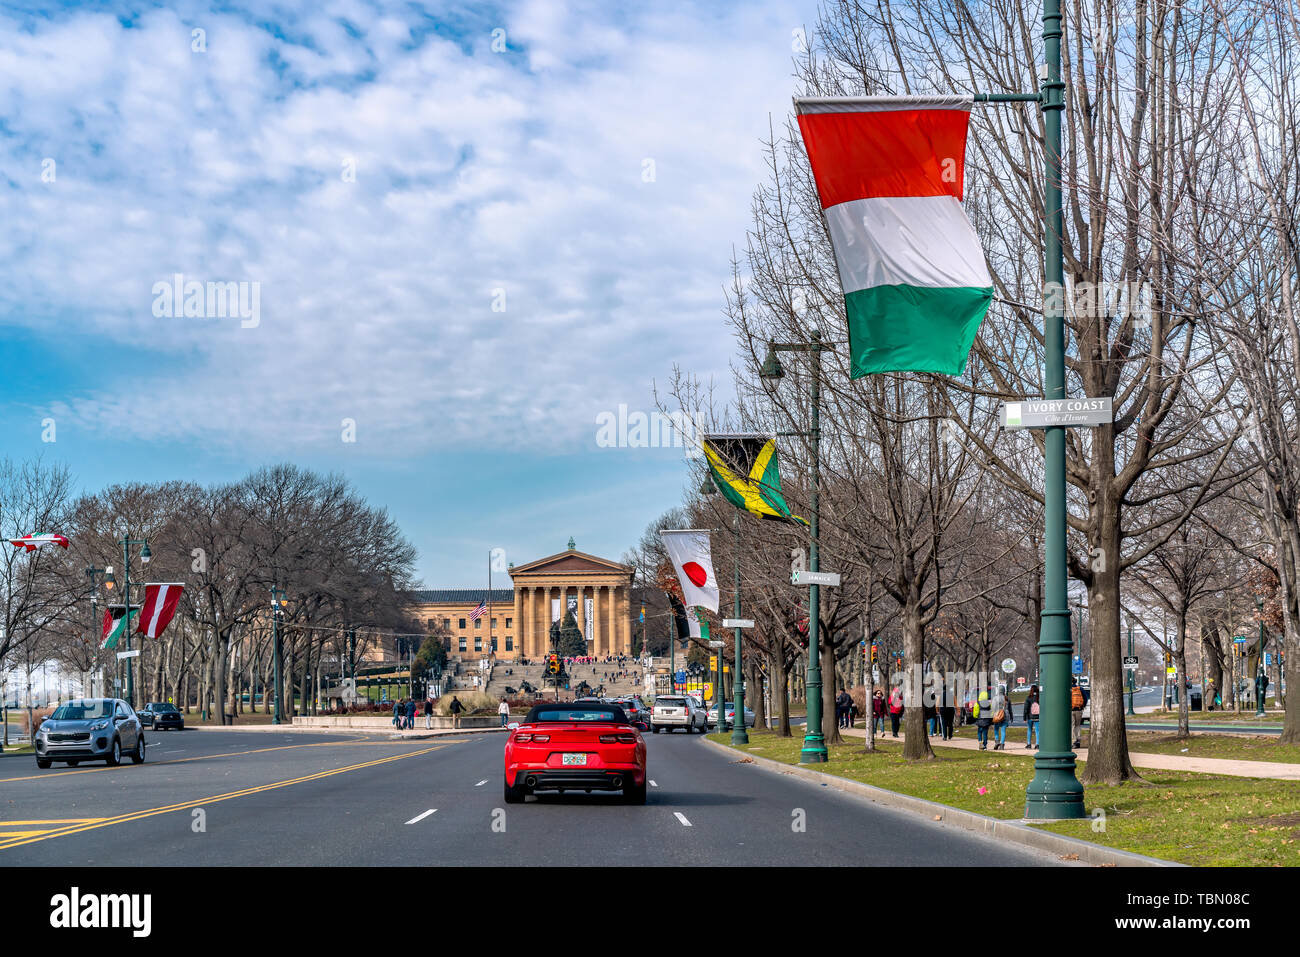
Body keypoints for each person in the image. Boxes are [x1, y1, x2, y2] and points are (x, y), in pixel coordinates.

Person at [990, 686, 1008, 750]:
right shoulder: (1006, 698)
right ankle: (1002, 744)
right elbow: (1009, 709)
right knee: (1003, 731)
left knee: (996, 729)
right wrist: (1011, 716)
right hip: (1005, 716)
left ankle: (997, 741)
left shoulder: (995, 698)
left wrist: (992, 715)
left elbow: (993, 708)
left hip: (997, 716)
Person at [1023, 684, 1040, 749]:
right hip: (1038, 717)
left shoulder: (1029, 698)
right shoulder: (1039, 697)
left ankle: (1029, 744)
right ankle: (1037, 744)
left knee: (1029, 730)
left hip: (1030, 717)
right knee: (1037, 731)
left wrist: (1024, 717)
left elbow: (1026, 709)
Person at [1070, 678, 1085, 748]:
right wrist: (1082, 706)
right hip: (1079, 709)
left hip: (1071, 709)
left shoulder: (1068, 689)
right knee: (1078, 725)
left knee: (1072, 725)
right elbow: (1085, 698)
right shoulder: (1080, 689)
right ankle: (1078, 740)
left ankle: (1073, 741)